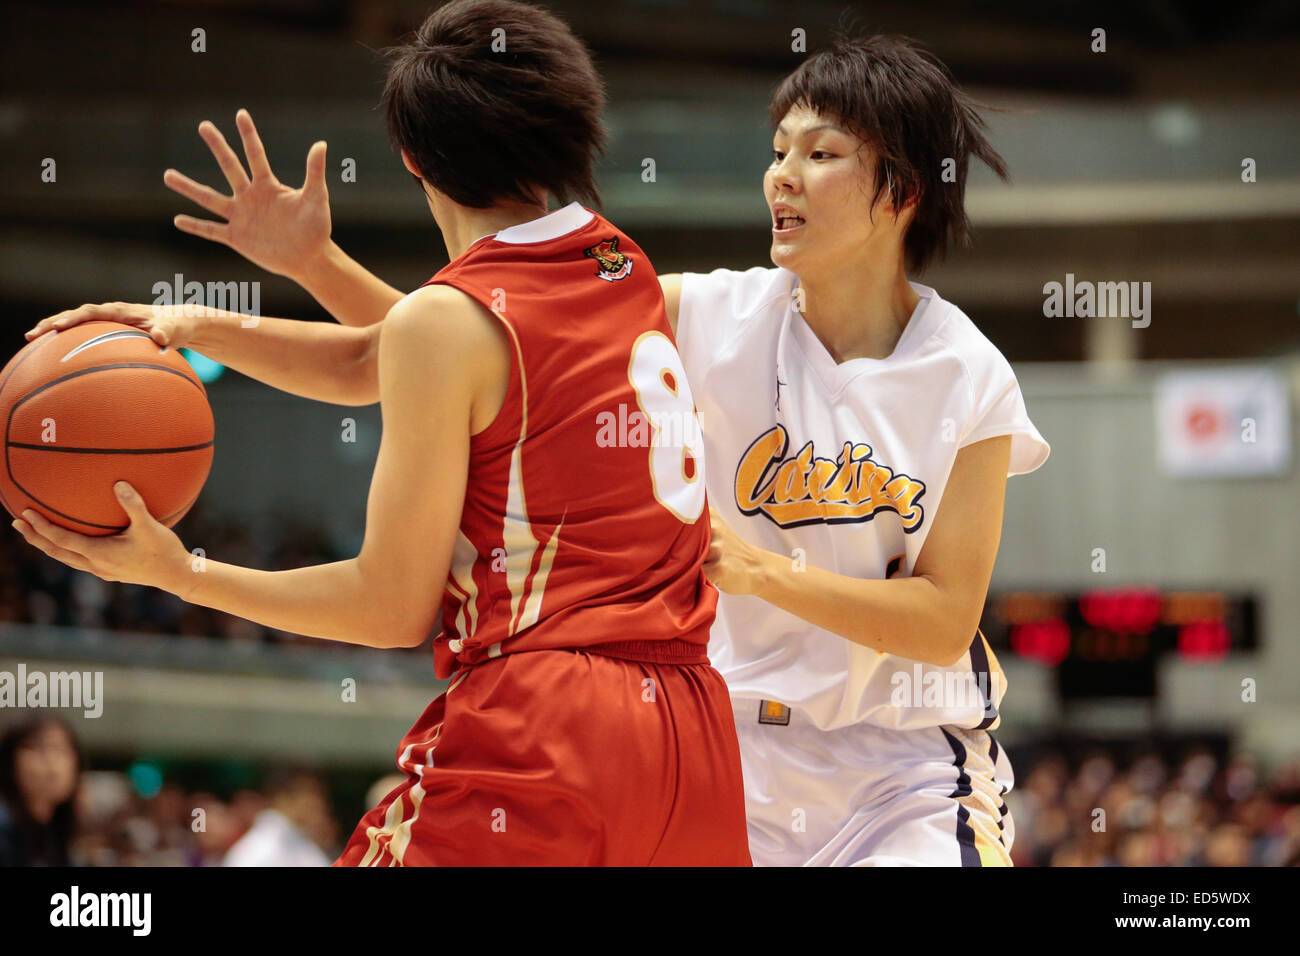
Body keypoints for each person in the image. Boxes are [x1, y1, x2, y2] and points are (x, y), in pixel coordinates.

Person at [31, 27, 1044, 867]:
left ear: (902, 188)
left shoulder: (967, 376)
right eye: (777, 147)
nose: (780, 175)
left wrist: (752, 569)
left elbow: (943, 614)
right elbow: (467, 357)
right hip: (710, 734)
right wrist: (287, 282)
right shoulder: (670, 295)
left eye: (817, 153)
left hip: (888, 760)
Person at [16, 0, 750, 866]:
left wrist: (186, 572)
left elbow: (391, 604)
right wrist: (207, 320)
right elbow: (391, 359)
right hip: (694, 735)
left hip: (552, 727)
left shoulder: (448, 326)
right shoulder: (616, 263)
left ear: (413, 157)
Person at [0, 717, 81, 866]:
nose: (52, 763)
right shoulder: (5, 832)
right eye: (38, 748)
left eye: (61, 750)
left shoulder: (54, 834)